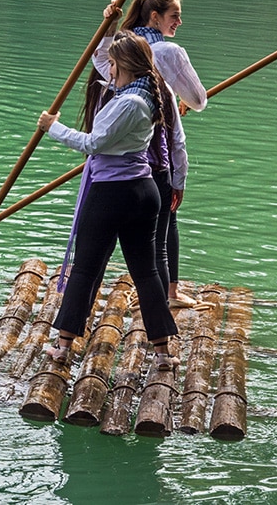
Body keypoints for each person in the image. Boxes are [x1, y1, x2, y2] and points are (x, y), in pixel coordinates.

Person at [38, 31, 180, 371]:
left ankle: (61, 346)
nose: (109, 71)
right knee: (146, 274)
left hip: (113, 195)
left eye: (114, 65)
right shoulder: (144, 91)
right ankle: (162, 351)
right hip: (144, 193)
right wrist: (110, 21)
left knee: (85, 269)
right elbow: (100, 58)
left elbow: (94, 143)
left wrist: (51, 128)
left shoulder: (129, 102)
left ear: (126, 65)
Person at [103, 0, 208, 308]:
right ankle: (167, 294)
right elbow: (199, 100)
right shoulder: (169, 51)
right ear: (155, 16)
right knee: (166, 217)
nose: (179, 22)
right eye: (174, 15)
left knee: (137, 221)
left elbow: (101, 70)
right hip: (160, 147)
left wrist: (108, 26)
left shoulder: (121, 44)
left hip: (122, 146)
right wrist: (181, 101)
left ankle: (154, 289)